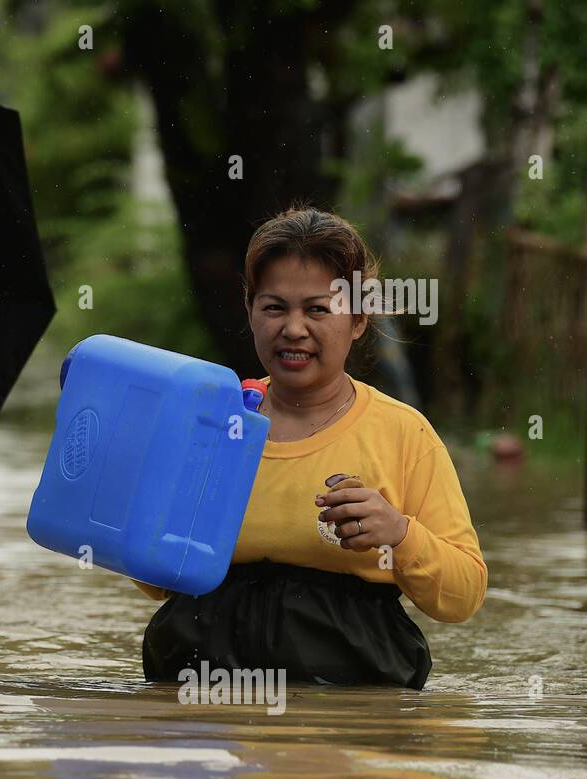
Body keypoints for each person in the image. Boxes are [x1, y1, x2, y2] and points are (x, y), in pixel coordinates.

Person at [137, 207, 487, 689]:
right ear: (250, 310)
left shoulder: (404, 434)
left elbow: (463, 595)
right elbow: (156, 582)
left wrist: (400, 534)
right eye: (275, 307)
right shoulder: (213, 421)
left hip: (350, 703)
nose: (294, 328)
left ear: (359, 319)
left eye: (318, 309)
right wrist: (135, 504)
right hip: (200, 696)